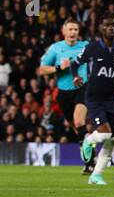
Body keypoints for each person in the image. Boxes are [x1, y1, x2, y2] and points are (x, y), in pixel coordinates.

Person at [71, 14, 114, 186]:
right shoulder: (92, 48)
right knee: (104, 133)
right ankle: (88, 141)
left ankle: (96, 175)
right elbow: (74, 64)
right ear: (101, 29)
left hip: (111, 98)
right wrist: (75, 76)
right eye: (107, 25)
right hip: (94, 97)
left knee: (112, 139)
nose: (111, 28)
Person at [37, 19, 94, 174]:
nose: (73, 32)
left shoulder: (86, 46)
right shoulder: (55, 49)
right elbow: (41, 70)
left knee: (79, 119)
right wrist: (58, 67)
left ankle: (89, 162)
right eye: (70, 29)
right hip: (64, 93)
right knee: (78, 128)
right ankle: (90, 156)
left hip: (83, 87)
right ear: (64, 32)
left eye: (75, 29)